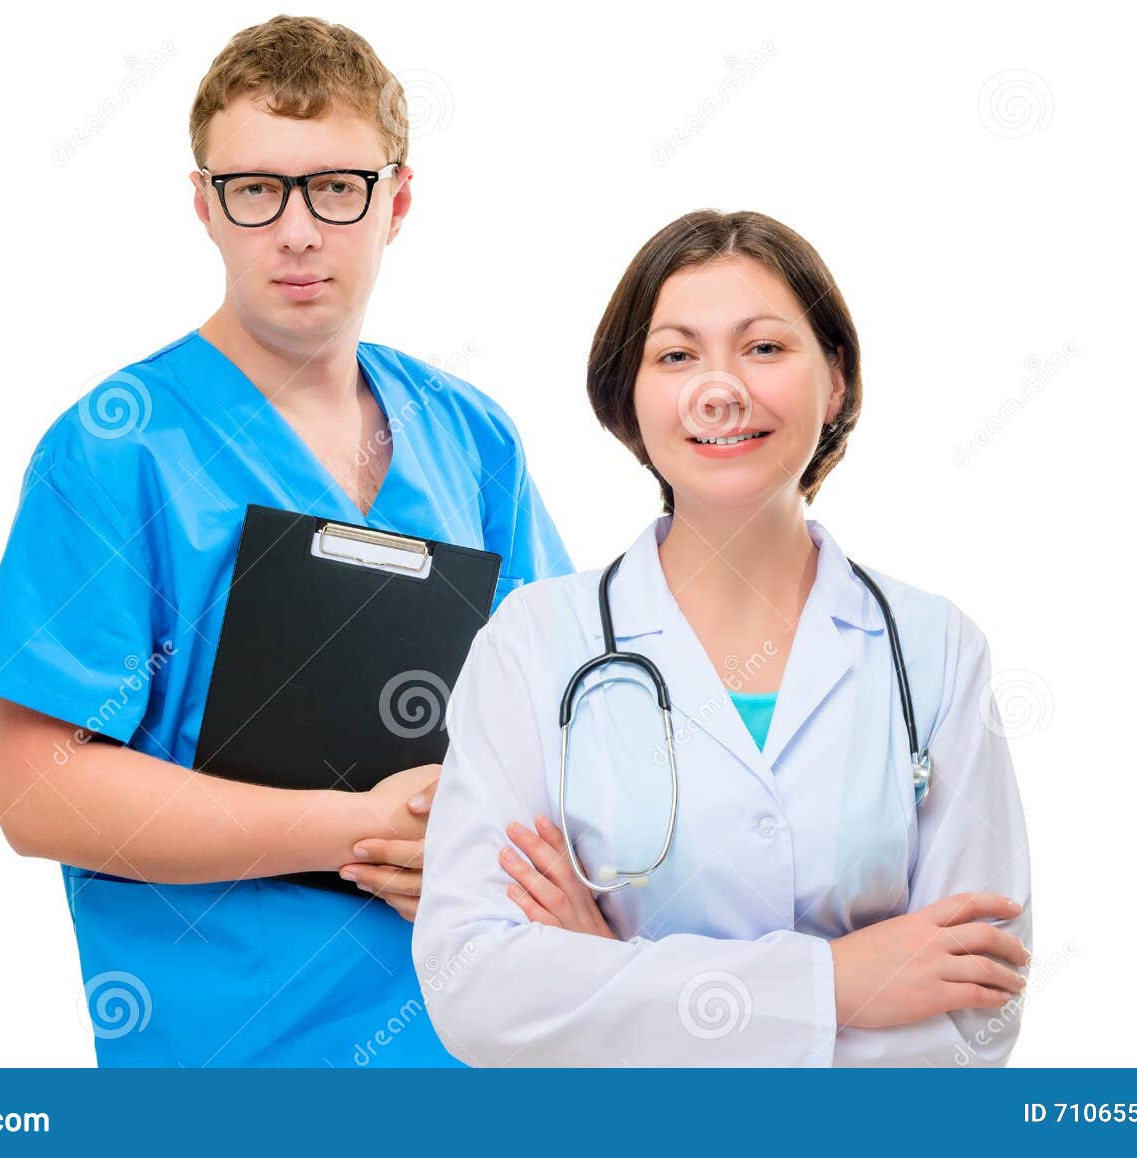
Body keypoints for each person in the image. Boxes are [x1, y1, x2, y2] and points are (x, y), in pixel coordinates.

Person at [0, 15, 571, 1067]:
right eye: (255, 190)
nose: (297, 231)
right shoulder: (115, 450)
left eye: (337, 187)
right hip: (234, 1063)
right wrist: (355, 827)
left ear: (398, 200)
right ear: (204, 206)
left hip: (485, 1044)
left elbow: (565, 712)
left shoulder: (471, 436)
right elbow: (38, 786)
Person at [412, 210, 1032, 1066]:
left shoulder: (932, 649)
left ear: (837, 382)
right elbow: (474, 988)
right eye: (676, 355)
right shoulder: (534, 642)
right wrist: (838, 984)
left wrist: (606, 974)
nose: (721, 388)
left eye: (765, 348)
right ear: (629, 396)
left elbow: (978, 1015)